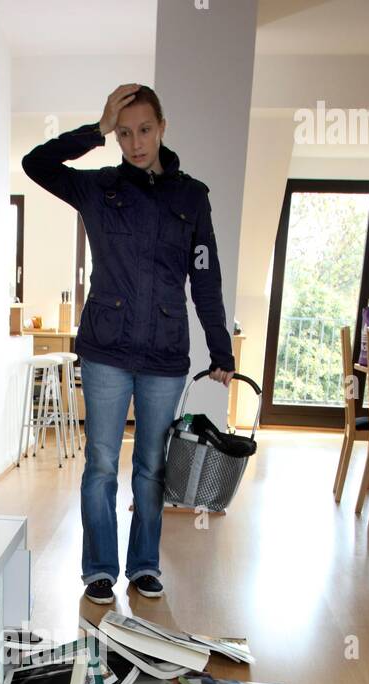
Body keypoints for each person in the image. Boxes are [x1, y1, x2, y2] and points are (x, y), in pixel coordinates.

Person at [23, 84, 235, 604]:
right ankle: (98, 569)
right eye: (123, 132)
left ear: (162, 128)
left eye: (143, 129)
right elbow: (37, 164)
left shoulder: (192, 197)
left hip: (165, 353)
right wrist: (93, 129)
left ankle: (144, 566)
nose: (135, 142)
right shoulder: (98, 188)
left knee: (151, 468)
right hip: (106, 350)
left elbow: (205, 280)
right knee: (100, 463)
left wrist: (221, 348)